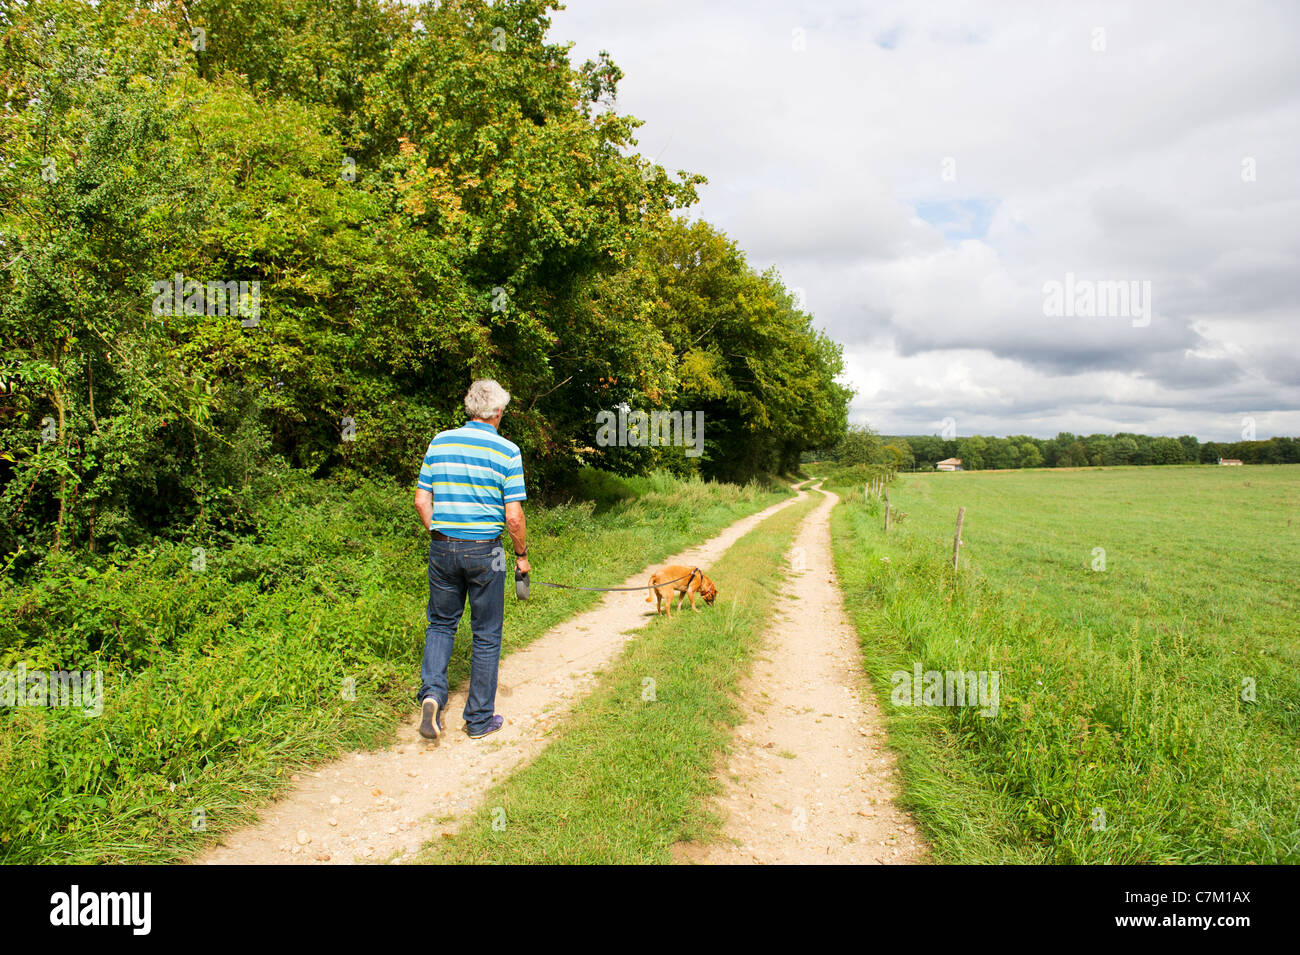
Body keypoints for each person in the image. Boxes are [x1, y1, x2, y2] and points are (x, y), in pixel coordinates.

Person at [412, 379, 529, 740]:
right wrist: (522, 557)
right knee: (487, 634)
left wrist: (441, 533)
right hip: (487, 551)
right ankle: (478, 719)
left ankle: (432, 694)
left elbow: (420, 500)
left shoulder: (440, 441)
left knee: (442, 624)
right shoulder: (507, 450)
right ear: (496, 412)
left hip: (442, 546)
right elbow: (513, 517)